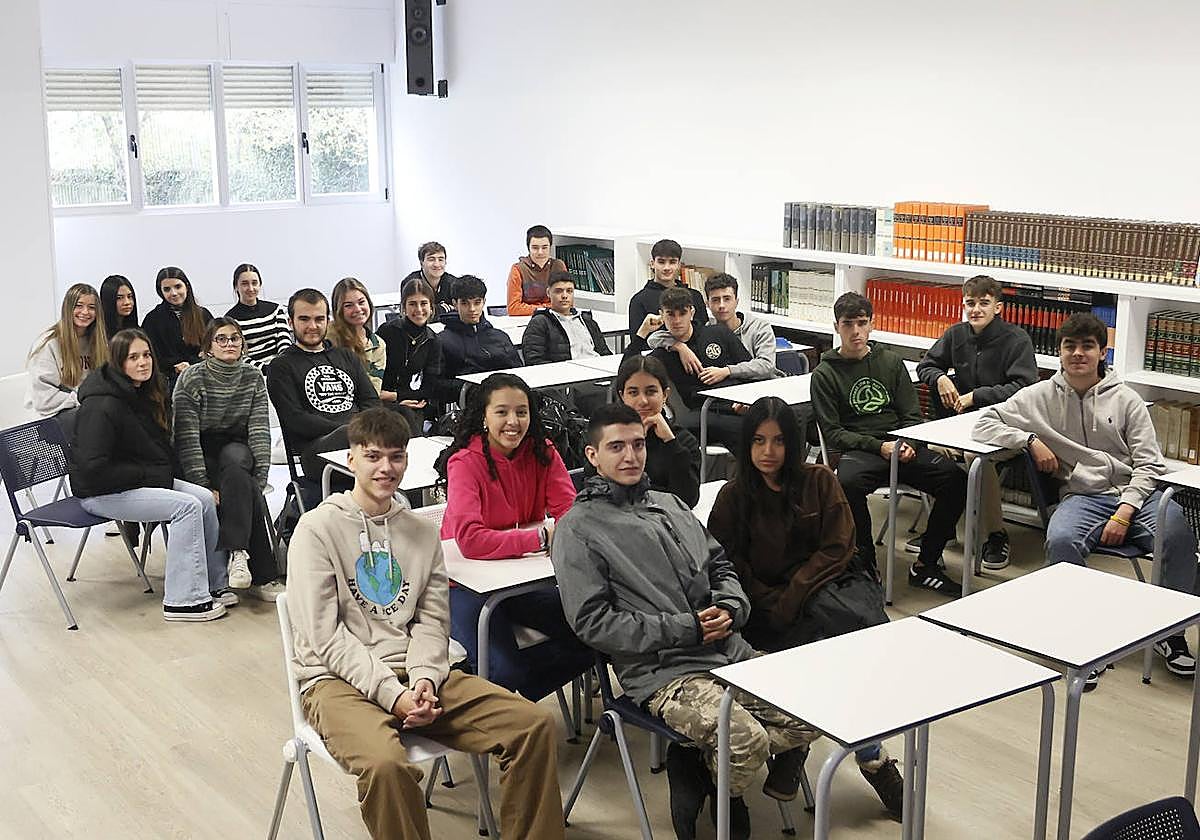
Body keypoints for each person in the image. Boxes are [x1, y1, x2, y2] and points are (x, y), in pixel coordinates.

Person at [287, 407, 566, 840]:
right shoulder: (316, 529)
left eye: (395, 457)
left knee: (533, 726)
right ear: (351, 460)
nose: (386, 468)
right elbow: (324, 637)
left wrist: (423, 680)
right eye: (373, 456)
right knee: (385, 765)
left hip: (422, 676)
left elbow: (433, 622)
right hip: (335, 680)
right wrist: (391, 694)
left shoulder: (420, 533)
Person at [553, 403, 817, 840]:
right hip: (661, 671)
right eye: (616, 447)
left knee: (812, 707)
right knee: (745, 739)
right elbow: (593, 623)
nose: (631, 456)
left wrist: (733, 608)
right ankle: (727, 797)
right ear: (591, 456)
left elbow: (721, 566)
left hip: (727, 649)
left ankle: (694, 761)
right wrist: (687, 627)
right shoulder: (578, 528)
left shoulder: (670, 504)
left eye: (638, 444)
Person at [974, 312, 1199, 681]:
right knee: (1061, 539)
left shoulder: (1127, 400)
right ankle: (1077, 638)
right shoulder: (1039, 396)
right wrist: (1029, 440)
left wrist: (1125, 512)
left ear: (1102, 353)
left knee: (1178, 535)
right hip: (1082, 496)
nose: (1078, 353)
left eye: (1087, 346)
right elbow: (985, 421)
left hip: (1134, 496)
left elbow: (1150, 466)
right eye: (1069, 346)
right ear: (1060, 352)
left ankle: (1170, 634)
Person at [707, 397, 904, 819]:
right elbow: (725, 561)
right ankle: (875, 762)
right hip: (764, 611)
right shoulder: (733, 495)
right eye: (758, 440)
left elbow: (837, 547)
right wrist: (767, 599)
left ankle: (801, 749)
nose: (768, 451)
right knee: (827, 662)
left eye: (778, 441)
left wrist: (792, 595)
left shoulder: (819, 480)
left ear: (793, 444)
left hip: (817, 598)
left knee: (835, 657)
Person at [439, 373, 592, 702]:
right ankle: (479, 688)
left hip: (522, 582)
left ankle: (517, 689)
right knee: (503, 671)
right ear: (484, 415)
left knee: (595, 630)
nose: (513, 421)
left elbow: (570, 513)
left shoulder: (542, 451)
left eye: (521, 412)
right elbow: (470, 539)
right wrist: (538, 538)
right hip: (463, 586)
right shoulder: (464, 462)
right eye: (502, 412)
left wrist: (558, 533)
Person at [810, 292, 966, 597]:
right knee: (848, 484)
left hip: (900, 445)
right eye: (848, 324)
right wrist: (878, 447)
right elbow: (833, 433)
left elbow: (911, 415)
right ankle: (865, 562)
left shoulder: (891, 363)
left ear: (872, 325)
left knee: (956, 479)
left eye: (862, 323)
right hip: (861, 450)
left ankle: (926, 564)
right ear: (836, 326)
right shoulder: (825, 373)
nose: (855, 331)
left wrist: (905, 442)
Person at [70, 328, 229, 622]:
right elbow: (94, 469)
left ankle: (212, 584)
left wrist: (155, 474)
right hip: (100, 492)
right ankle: (184, 601)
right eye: (133, 357)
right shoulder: (101, 404)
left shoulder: (142, 392)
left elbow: (157, 450)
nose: (143, 362)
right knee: (187, 507)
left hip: (135, 481)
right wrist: (146, 474)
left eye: (146, 355)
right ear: (118, 362)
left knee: (204, 498)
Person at [916, 274, 1037, 570]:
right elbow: (925, 365)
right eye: (970, 303)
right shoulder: (956, 334)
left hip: (1007, 428)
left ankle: (996, 535)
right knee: (928, 451)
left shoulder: (1016, 339)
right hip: (961, 428)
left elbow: (1024, 387)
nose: (976, 310)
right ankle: (941, 530)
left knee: (975, 458)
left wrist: (976, 396)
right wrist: (941, 377)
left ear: (998, 307)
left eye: (984, 303)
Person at [173, 318, 285, 602]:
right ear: (208, 347)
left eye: (235, 338)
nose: (229, 344)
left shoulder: (252, 377)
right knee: (240, 482)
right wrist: (201, 484)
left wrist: (261, 479)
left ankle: (237, 553)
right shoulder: (192, 378)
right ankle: (262, 574)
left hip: (236, 447)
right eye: (221, 339)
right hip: (198, 450)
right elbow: (186, 437)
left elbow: (259, 428)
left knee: (240, 472)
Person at [265, 289, 381, 483]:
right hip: (316, 451)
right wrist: (351, 430)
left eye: (319, 319)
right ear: (290, 322)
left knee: (403, 417)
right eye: (304, 319)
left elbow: (371, 401)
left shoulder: (345, 356)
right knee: (350, 436)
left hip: (362, 439)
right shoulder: (281, 366)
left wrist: (360, 430)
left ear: (328, 321)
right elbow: (295, 419)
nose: (312, 326)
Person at [625, 286, 750, 448]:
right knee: (745, 431)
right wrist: (643, 333)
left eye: (682, 314)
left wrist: (746, 399)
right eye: (670, 314)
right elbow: (626, 373)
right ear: (662, 315)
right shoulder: (662, 354)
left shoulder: (718, 333)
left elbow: (749, 368)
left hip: (740, 403)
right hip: (706, 411)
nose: (677, 321)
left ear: (691, 312)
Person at [585, 354, 700, 508]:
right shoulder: (607, 439)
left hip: (666, 523)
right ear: (622, 395)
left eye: (651, 392)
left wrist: (671, 443)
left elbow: (687, 500)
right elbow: (592, 490)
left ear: (665, 395)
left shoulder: (683, 441)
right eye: (633, 392)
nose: (643, 401)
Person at [648, 272, 782, 385]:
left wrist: (726, 371)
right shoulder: (708, 328)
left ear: (737, 301)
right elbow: (653, 338)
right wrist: (678, 346)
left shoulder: (759, 327)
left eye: (727, 299)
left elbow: (767, 366)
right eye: (716, 300)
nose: (722, 305)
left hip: (766, 384)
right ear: (708, 304)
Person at [328, 277, 421, 435]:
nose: (357, 309)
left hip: (366, 403)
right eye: (348, 305)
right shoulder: (329, 338)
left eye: (361, 302)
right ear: (338, 310)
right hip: (339, 406)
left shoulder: (378, 344)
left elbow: (372, 390)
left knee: (406, 413)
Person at [26, 283, 109, 438]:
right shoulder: (48, 343)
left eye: (91, 307)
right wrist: (83, 399)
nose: (85, 312)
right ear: (68, 308)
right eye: (79, 306)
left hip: (84, 411)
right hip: (50, 419)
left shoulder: (97, 342)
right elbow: (44, 400)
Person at [435, 275, 522, 407]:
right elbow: (437, 385)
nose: (472, 309)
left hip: (510, 399)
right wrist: (469, 386)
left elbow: (520, 372)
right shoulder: (443, 341)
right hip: (473, 404)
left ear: (484, 302)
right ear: (454, 304)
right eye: (465, 303)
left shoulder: (500, 337)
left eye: (477, 302)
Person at [376, 277, 444, 428]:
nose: (419, 310)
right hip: (379, 401)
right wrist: (390, 398)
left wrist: (396, 397)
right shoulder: (387, 331)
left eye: (424, 303)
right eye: (412, 304)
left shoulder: (433, 341)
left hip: (410, 402)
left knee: (409, 420)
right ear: (404, 307)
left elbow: (430, 388)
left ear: (431, 307)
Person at [142, 266, 213, 389]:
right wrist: (174, 367)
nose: (173, 293)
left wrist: (194, 363)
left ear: (186, 286)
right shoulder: (152, 319)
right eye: (167, 289)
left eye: (178, 287)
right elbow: (152, 355)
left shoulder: (203, 314)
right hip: (171, 380)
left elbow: (214, 346)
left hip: (204, 375)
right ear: (161, 292)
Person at [521, 269, 611, 365]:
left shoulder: (587, 320)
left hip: (598, 370)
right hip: (566, 374)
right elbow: (534, 360)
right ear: (548, 292)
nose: (565, 296)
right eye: (558, 291)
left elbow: (605, 353)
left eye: (569, 291)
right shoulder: (540, 323)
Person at [626, 238, 706, 337]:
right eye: (661, 262)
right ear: (652, 264)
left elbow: (703, 334)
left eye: (672, 262)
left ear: (679, 265)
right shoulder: (639, 300)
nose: (666, 268)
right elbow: (637, 340)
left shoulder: (695, 296)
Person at [224, 263, 291, 369]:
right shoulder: (229, 321)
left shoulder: (276, 310)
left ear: (260, 285)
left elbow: (285, 342)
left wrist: (280, 365)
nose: (251, 288)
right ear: (236, 286)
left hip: (283, 367)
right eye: (244, 284)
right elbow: (239, 356)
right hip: (252, 373)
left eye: (254, 283)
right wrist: (265, 369)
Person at [507, 224, 567, 316]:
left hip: (554, 318)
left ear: (550, 247)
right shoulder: (518, 269)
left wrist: (537, 308)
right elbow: (513, 308)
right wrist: (546, 307)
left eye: (544, 247)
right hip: (526, 320)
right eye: (535, 248)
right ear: (528, 248)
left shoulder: (558, 266)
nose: (540, 252)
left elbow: (565, 303)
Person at [401, 240, 457, 320]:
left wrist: (432, 310)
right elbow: (413, 314)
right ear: (421, 263)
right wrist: (441, 310)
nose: (437, 264)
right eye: (431, 259)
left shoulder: (453, 283)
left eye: (441, 259)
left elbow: (459, 313)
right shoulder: (410, 283)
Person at [99, 274, 139, 340]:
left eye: (129, 296)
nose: (127, 302)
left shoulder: (137, 332)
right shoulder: (99, 333)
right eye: (119, 298)